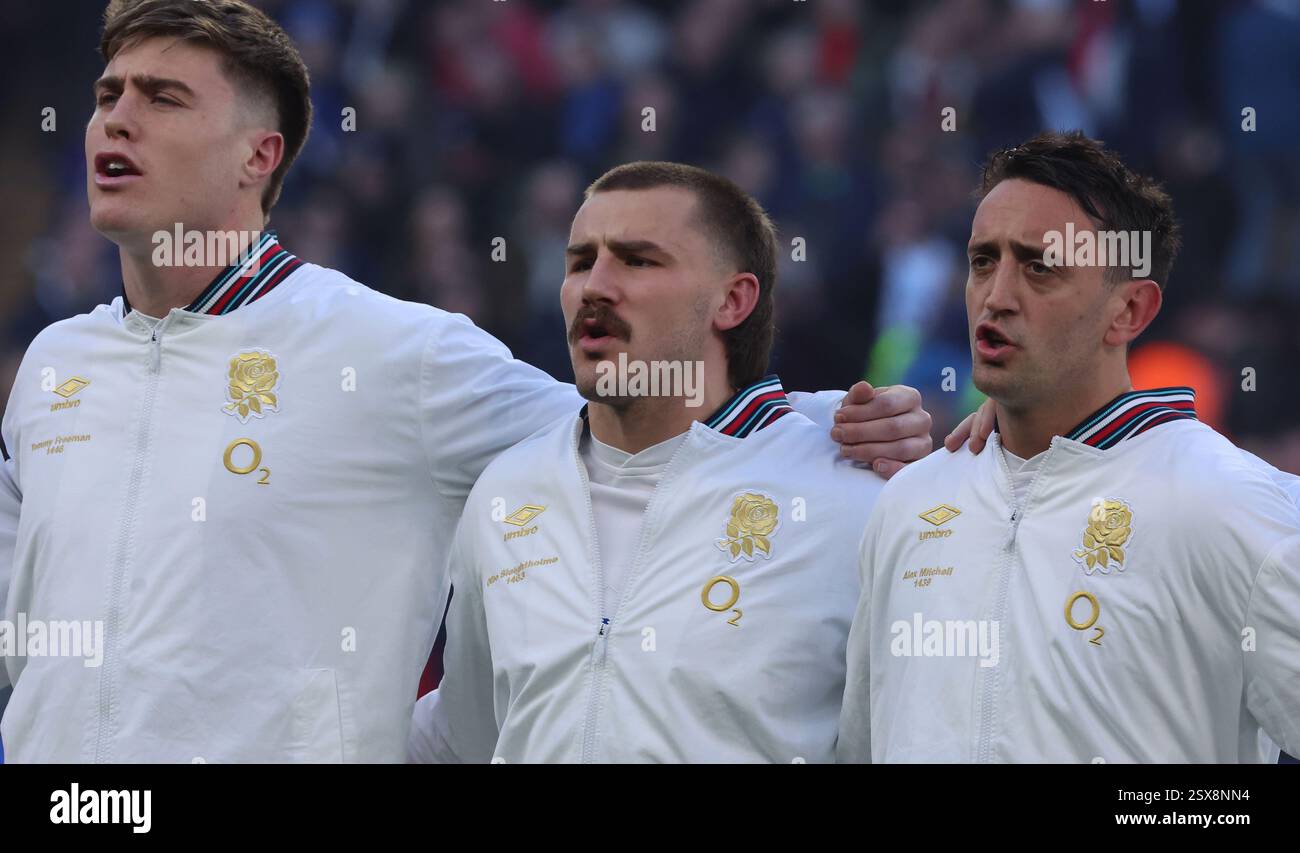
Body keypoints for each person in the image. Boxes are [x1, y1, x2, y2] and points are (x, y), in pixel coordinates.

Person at [0, 0, 930, 763]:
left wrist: (816, 424)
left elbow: (626, 426)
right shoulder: (54, 366)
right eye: (107, 92)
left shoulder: (394, 353)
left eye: (163, 98)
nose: (115, 117)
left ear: (260, 155)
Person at [839, 131, 1300, 763]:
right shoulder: (909, 503)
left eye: (1039, 267)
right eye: (982, 261)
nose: (996, 296)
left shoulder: (1236, 506)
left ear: (1129, 311)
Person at [408, 162, 888, 763]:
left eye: (637, 260)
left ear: (733, 300)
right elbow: (471, 734)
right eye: (581, 262)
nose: (595, 287)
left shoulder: (853, 504)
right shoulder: (505, 492)